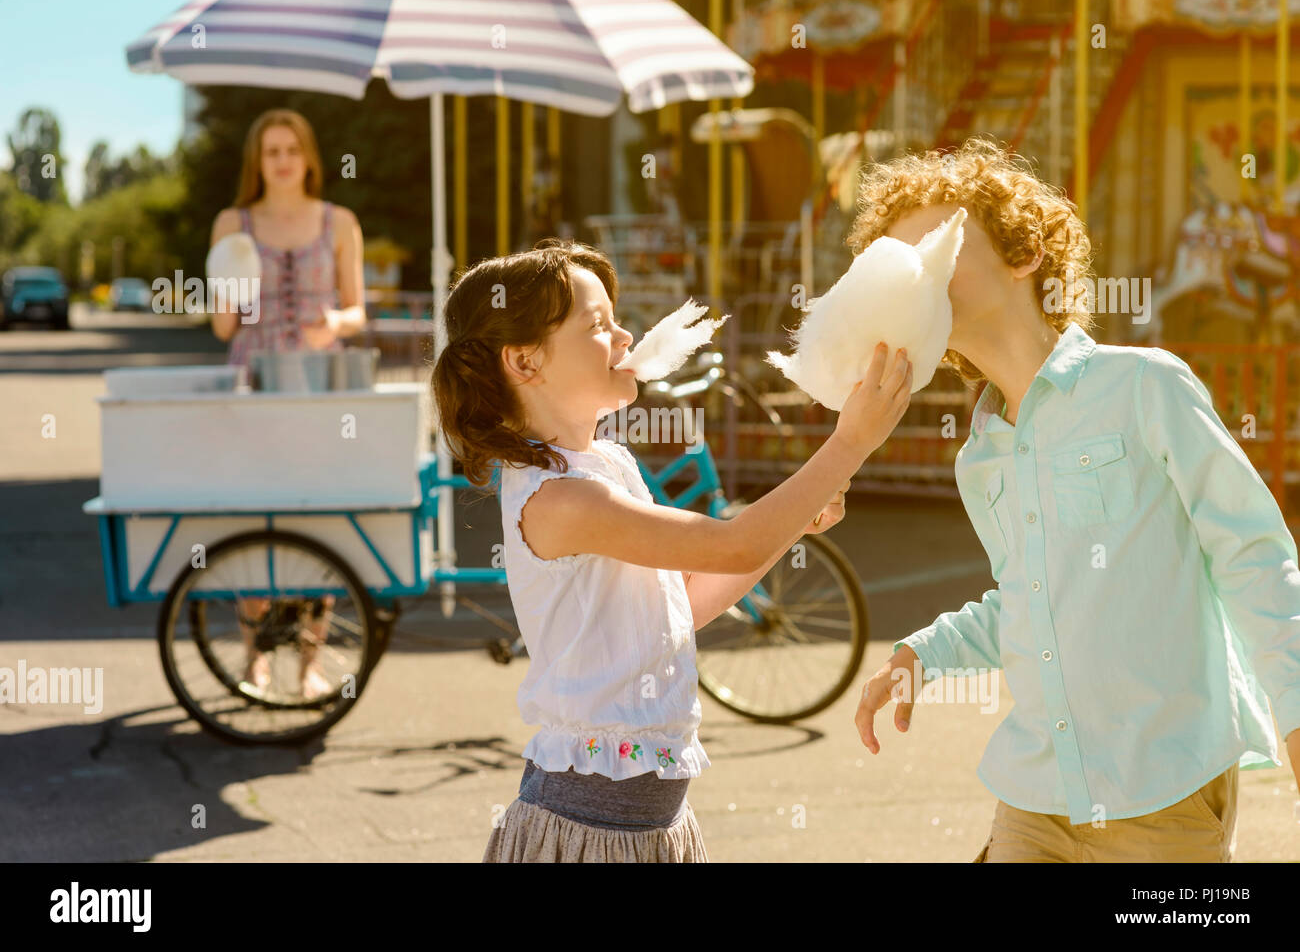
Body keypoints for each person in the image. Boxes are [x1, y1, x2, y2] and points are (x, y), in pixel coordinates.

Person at [851, 137, 1300, 862]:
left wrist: (1296, 708)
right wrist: (922, 651)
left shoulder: (1146, 386)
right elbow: (1031, 598)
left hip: (1165, 794)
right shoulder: (980, 455)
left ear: (1023, 253)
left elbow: (1252, 553)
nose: (911, 273)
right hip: (1032, 797)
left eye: (936, 242)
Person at [432, 239, 912, 862]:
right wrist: (849, 445)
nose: (625, 336)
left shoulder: (608, 463)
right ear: (525, 361)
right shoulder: (559, 499)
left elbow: (681, 603)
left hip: (652, 821)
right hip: (590, 828)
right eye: (597, 324)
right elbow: (733, 544)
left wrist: (790, 525)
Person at [208, 108, 368, 701]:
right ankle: (255, 659)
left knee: (318, 516)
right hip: (253, 383)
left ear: (308, 159)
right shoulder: (234, 221)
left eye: (291, 150)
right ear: (258, 162)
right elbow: (223, 325)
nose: (281, 161)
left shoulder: (339, 221)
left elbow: (358, 310)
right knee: (256, 513)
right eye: (271, 151)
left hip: (321, 384)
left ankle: (310, 662)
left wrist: (335, 321)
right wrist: (231, 291)